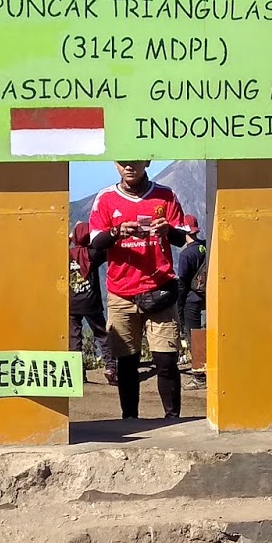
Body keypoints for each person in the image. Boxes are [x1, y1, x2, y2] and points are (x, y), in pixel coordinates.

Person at [88, 160, 187, 420]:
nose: (129, 167)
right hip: (121, 292)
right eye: (123, 162)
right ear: (115, 165)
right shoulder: (106, 198)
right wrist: (117, 232)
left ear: (147, 161)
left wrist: (167, 230)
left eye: (134, 161)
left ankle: (172, 419)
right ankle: (130, 419)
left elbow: (182, 237)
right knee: (127, 361)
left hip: (160, 289)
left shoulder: (165, 195)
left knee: (166, 360)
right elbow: (96, 241)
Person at [68, 221, 115, 385]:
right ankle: (111, 368)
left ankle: (77, 373)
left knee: (74, 338)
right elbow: (108, 246)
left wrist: (70, 237)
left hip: (72, 304)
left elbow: (52, 251)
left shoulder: (65, 255)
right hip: (91, 303)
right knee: (102, 335)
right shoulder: (93, 254)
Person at [173, 215, 208, 390]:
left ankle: (199, 377)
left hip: (191, 299)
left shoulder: (186, 255)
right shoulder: (206, 246)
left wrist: (178, 307)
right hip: (207, 295)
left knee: (195, 336)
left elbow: (182, 283)